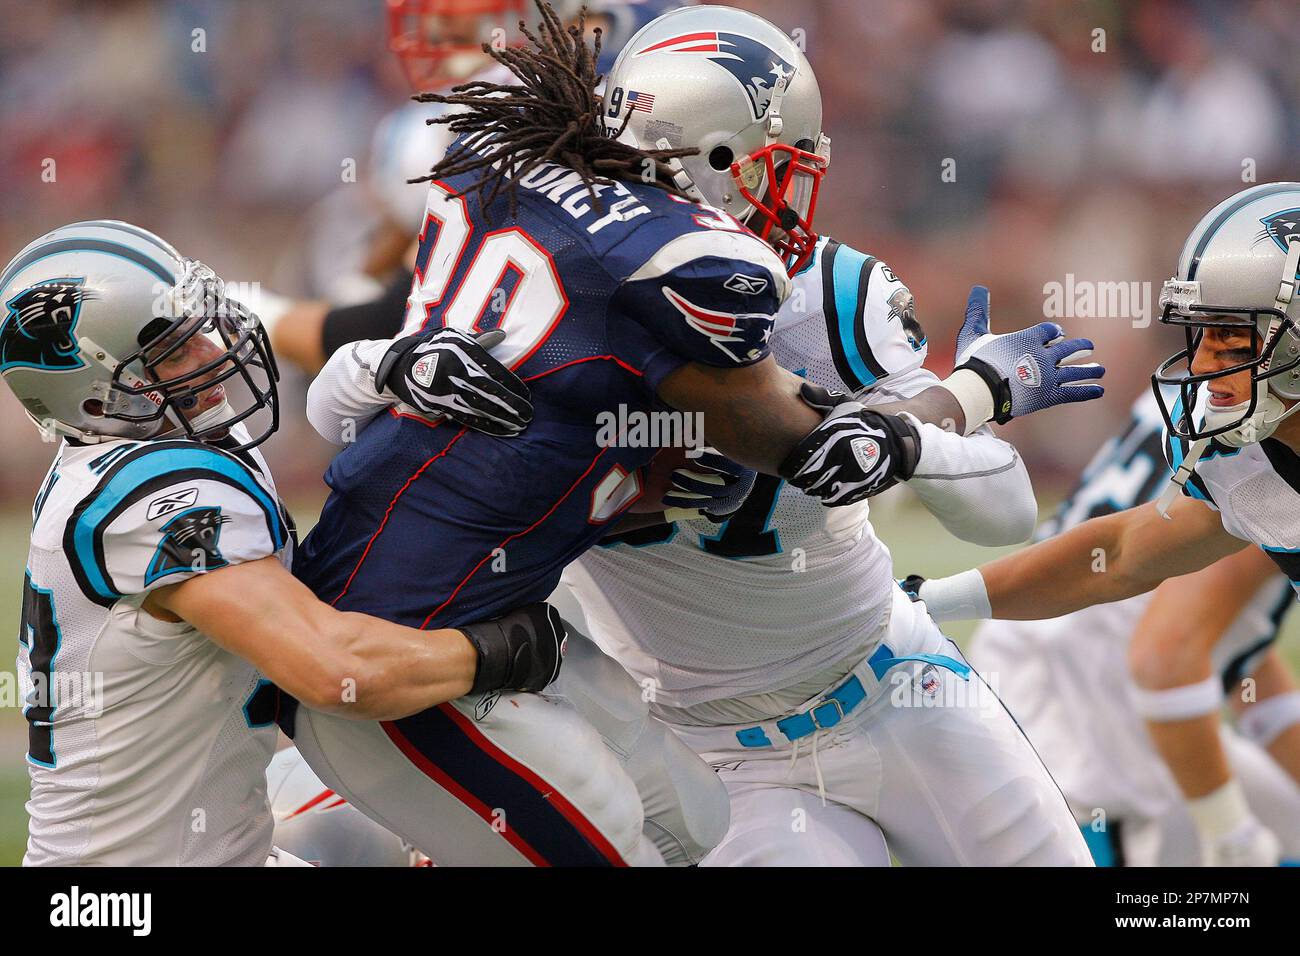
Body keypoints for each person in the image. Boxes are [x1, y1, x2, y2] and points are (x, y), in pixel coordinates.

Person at [297, 2, 1104, 866]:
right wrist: (393, 365)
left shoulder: (830, 297)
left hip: (896, 686)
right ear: (721, 165)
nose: (800, 187)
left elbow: (1008, 509)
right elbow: (341, 412)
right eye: (781, 165)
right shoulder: (578, 292)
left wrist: (918, 436)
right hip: (727, 764)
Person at [3, 220, 561, 866]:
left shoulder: (123, 457)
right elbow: (335, 669)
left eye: (199, 328)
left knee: (416, 802)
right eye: (174, 351)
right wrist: (499, 651)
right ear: (97, 401)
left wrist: (379, 369)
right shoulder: (149, 501)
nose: (213, 354)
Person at [906, 181, 1300, 866]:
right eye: (1203, 335)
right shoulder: (1255, 467)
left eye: (1234, 339)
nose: (1204, 366)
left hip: (1093, 719)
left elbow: (1175, 646)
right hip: (1075, 710)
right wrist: (931, 599)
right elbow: (1122, 554)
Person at [968, 385, 1300, 866]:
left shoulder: (1212, 393)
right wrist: (1232, 834)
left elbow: (1225, 632)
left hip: (1063, 644)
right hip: (1093, 698)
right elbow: (1165, 656)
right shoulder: (1266, 464)